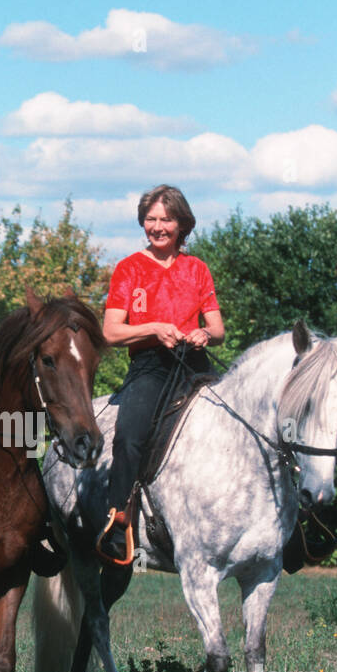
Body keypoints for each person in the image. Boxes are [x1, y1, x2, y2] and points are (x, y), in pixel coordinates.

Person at [99, 184, 225, 564]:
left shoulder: (197, 268)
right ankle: (118, 520)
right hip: (150, 366)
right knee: (128, 436)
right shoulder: (128, 268)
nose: (157, 226)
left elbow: (219, 330)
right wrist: (153, 328)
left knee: (242, 421)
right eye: (151, 219)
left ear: (181, 224)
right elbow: (110, 332)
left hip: (194, 363)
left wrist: (204, 332)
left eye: (165, 219)